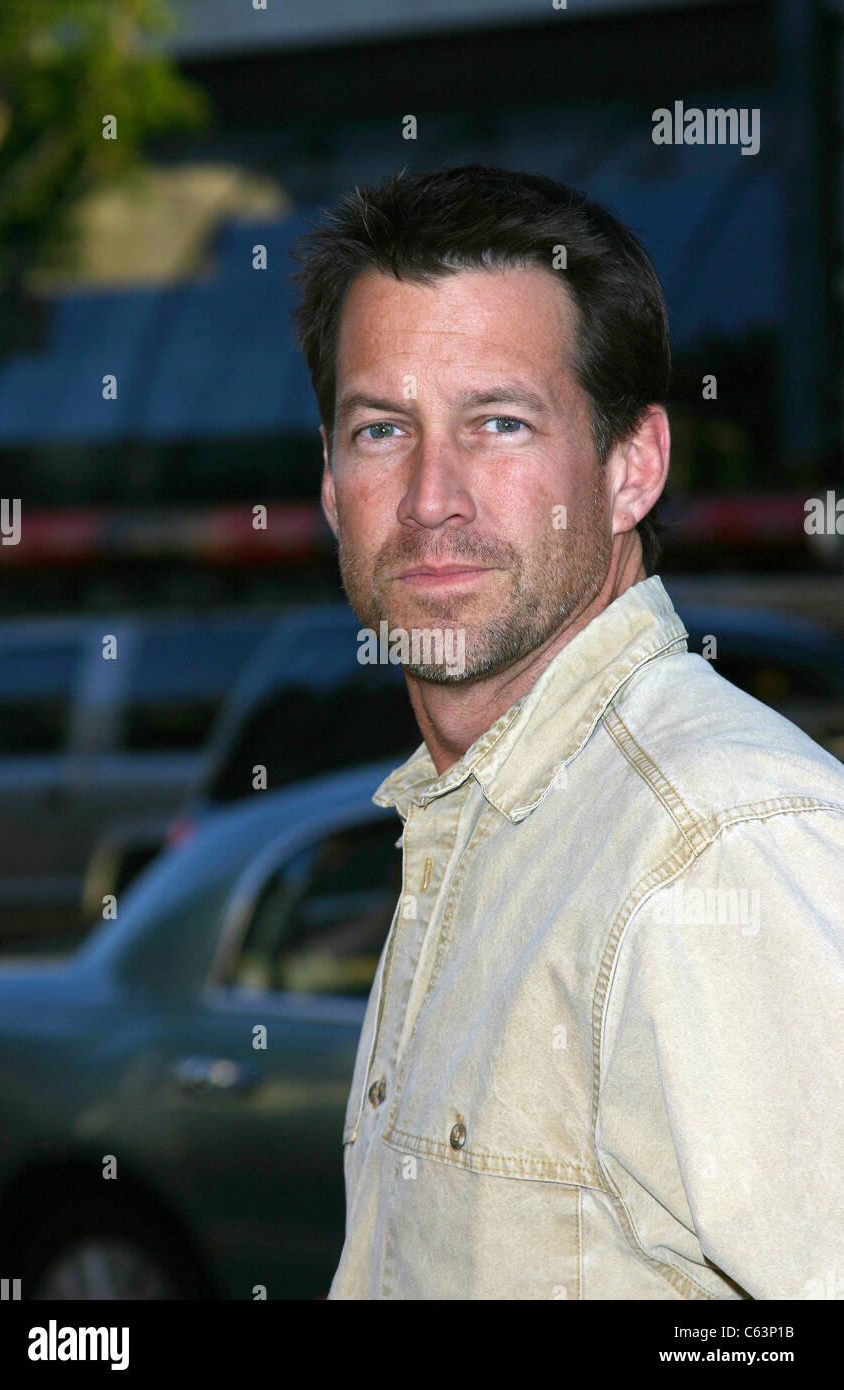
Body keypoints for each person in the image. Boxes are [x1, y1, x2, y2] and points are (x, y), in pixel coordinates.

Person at [288, 165, 844, 1299]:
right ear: (332, 485)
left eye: (498, 422)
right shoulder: (474, 825)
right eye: (382, 429)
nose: (431, 496)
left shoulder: (711, 848)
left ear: (630, 465)